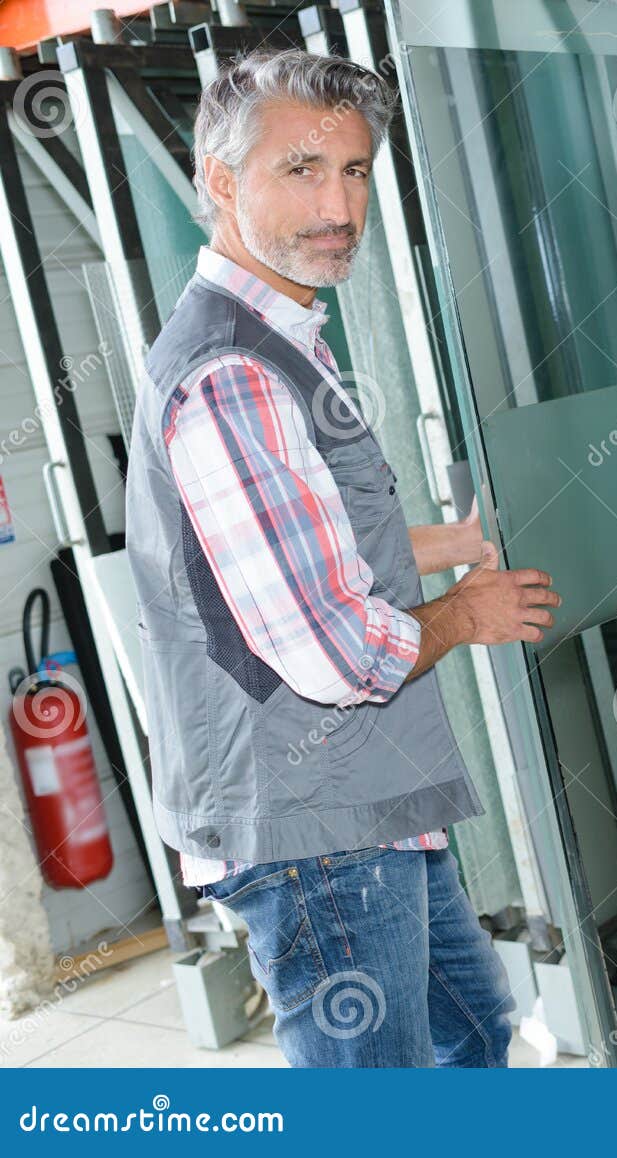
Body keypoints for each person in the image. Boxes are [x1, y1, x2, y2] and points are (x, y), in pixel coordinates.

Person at [123, 48, 560, 1067]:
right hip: (314, 834)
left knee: (474, 1040)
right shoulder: (234, 372)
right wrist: (470, 612)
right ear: (222, 180)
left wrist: (456, 545)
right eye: (302, 169)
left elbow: (303, 554)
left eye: (354, 170)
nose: (338, 204)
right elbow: (335, 652)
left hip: (360, 812)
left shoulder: (278, 333)